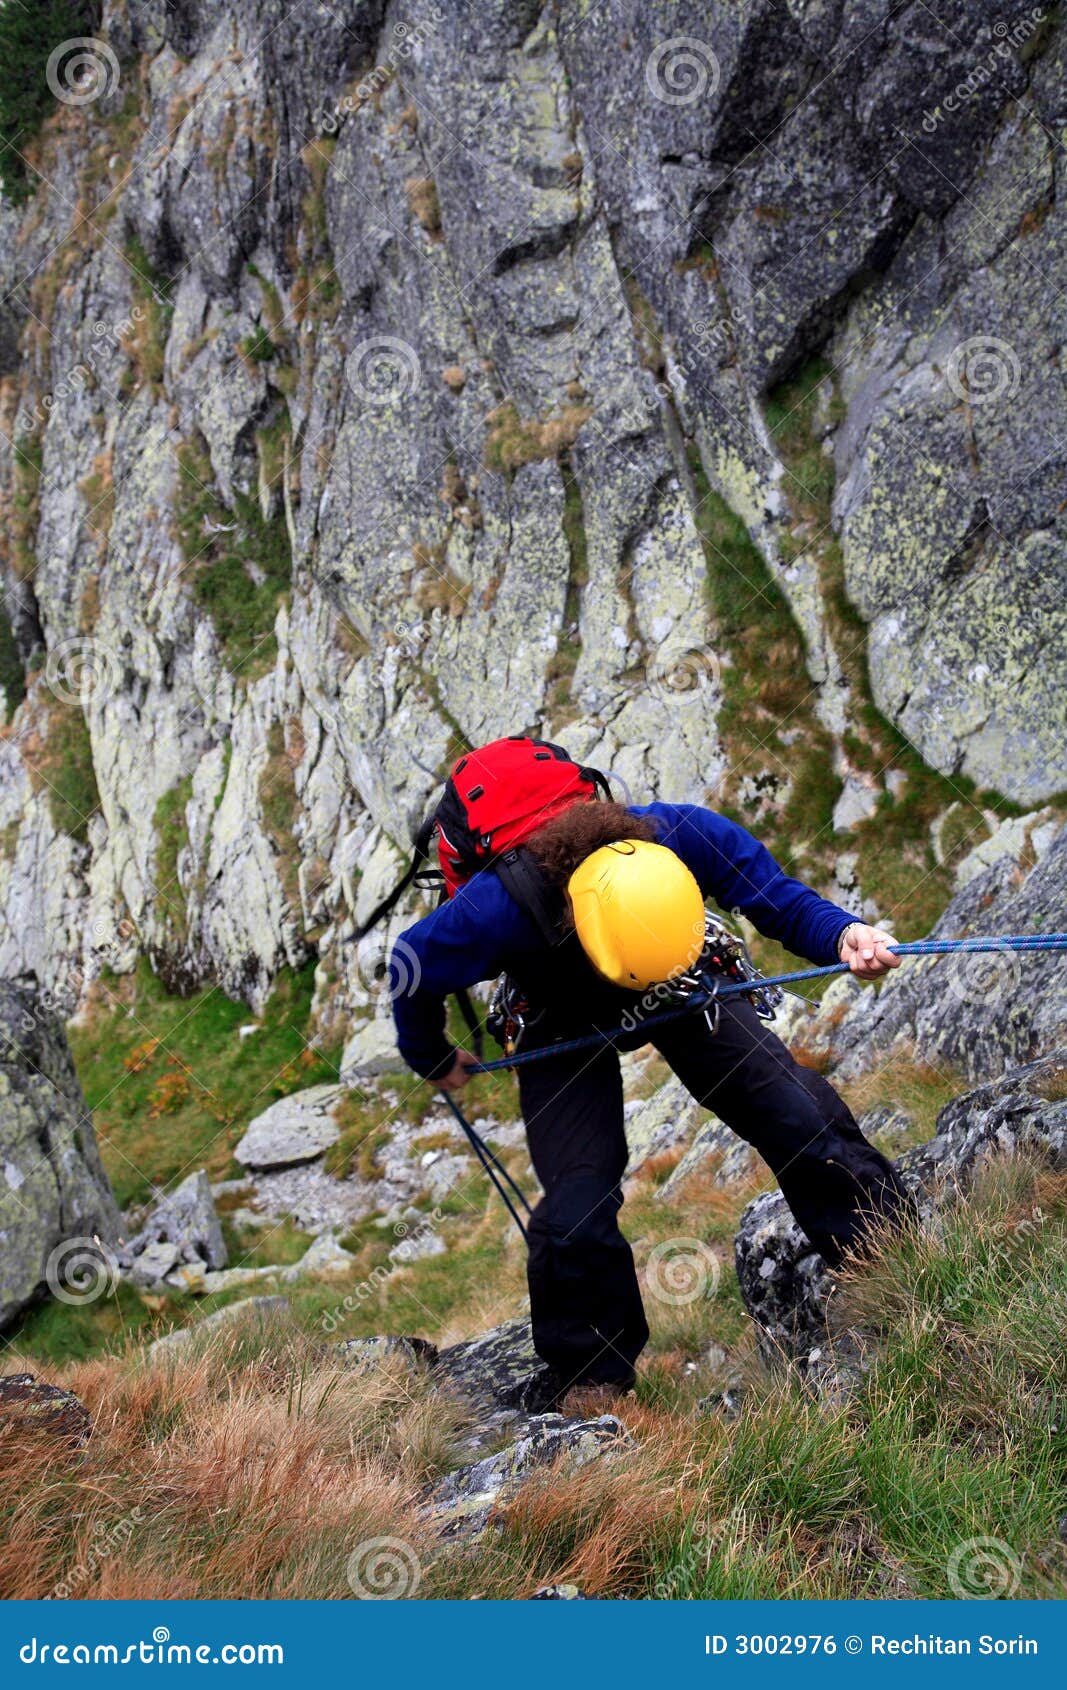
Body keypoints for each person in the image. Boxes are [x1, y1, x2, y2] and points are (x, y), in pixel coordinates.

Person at [388, 788, 910, 1399]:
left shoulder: (683, 834)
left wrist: (843, 934)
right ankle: (589, 1376)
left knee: (791, 1108)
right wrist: (432, 1057)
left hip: (678, 975)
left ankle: (889, 1258)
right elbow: (410, 965)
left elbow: (775, 899)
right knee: (577, 1204)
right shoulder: (494, 909)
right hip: (558, 1011)